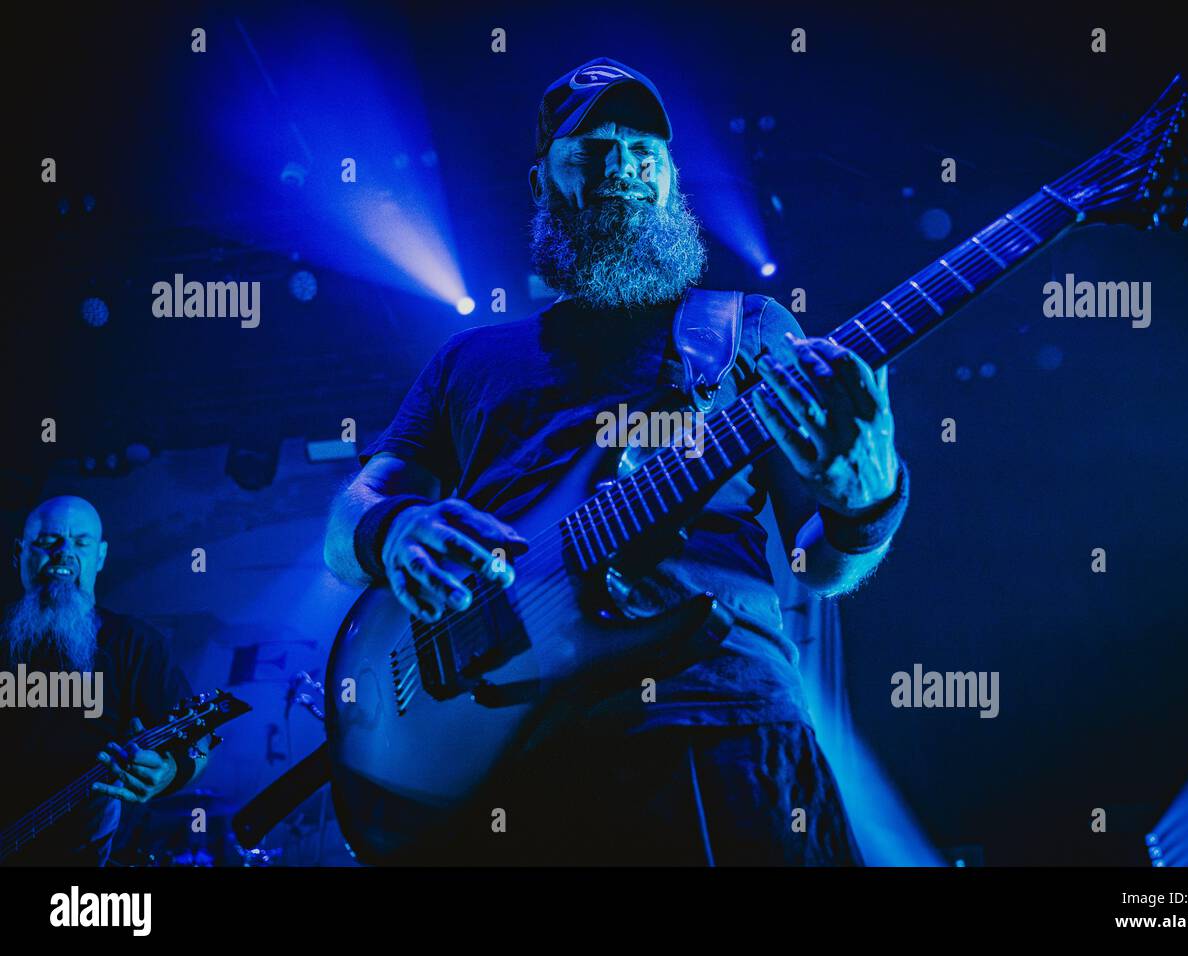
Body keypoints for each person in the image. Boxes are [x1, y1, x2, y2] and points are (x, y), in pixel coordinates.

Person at [324, 57, 909, 865]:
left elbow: (818, 562)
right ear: (543, 183)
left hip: (719, 726)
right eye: (590, 149)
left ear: (671, 178)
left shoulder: (747, 331)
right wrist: (393, 533)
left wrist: (866, 505)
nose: (623, 168)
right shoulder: (470, 360)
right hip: (510, 749)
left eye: (644, 150)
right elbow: (351, 514)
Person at [0, 495, 208, 866]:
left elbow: (197, 737)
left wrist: (172, 770)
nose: (64, 554)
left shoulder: (135, 643)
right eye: (48, 541)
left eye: (81, 543)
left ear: (100, 556)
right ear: (19, 552)